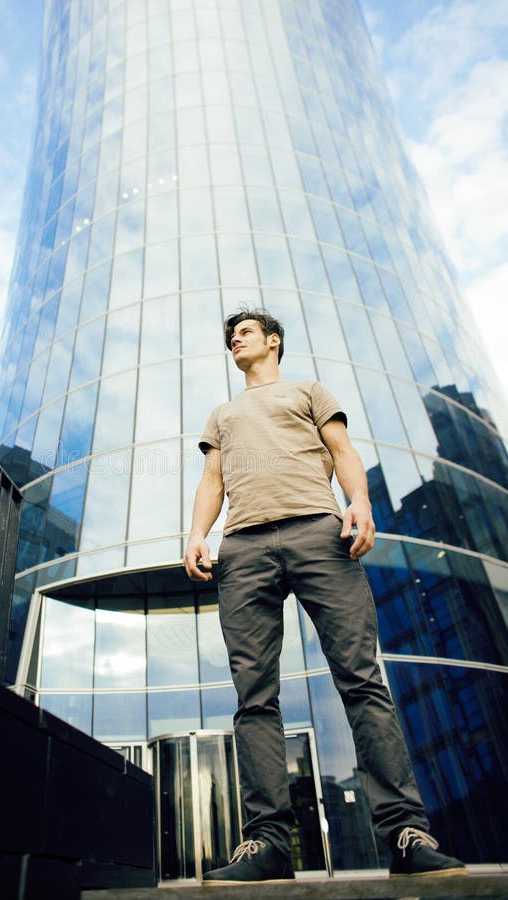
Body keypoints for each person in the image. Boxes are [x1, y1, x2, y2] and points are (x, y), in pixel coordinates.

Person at [183, 307, 466, 885]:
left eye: (245, 332)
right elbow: (211, 481)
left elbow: (343, 451)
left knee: (362, 681)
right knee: (254, 698)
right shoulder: (223, 414)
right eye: (229, 337)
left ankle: (406, 834)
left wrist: (359, 502)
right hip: (243, 547)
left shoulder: (309, 390)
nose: (234, 339)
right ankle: (267, 843)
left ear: (273, 342)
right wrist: (195, 536)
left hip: (318, 531)